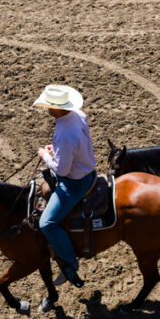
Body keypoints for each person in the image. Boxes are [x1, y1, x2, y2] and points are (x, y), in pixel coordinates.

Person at [32, 84, 97, 288]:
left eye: (48, 106)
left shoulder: (65, 133)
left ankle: (70, 262)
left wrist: (46, 155)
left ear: (57, 108)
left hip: (75, 182)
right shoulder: (77, 114)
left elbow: (61, 171)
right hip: (88, 169)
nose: (47, 109)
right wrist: (58, 150)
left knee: (47, 223)